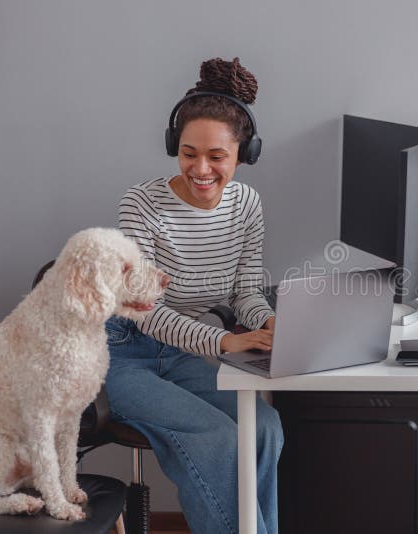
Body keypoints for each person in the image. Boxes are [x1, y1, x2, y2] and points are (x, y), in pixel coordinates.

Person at [104, 57, 283, 534]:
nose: (200, 169)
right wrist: (227, 343)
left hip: (186, 353)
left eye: (216, 157)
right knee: (219, 439)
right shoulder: (139, 203)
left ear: (244, 154)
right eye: (187, 153)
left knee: (264, 429)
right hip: (125, 354)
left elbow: (246, 291)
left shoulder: (247, 205)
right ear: (174, 148)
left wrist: (267, 324)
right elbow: (147, 313)